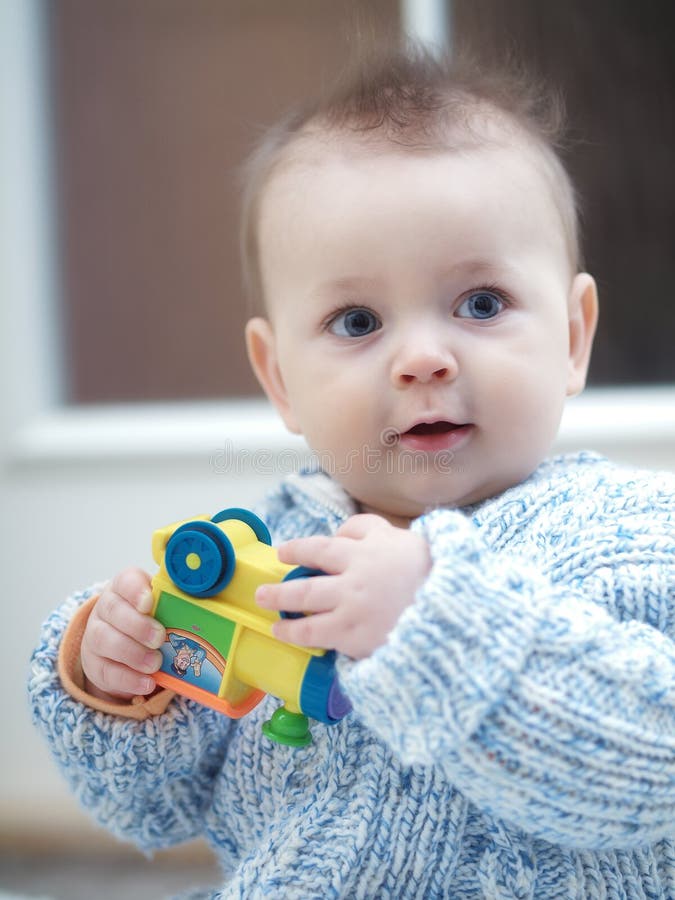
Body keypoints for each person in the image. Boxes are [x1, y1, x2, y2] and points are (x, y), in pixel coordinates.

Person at [30, 45, 675, 899]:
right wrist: (116, 684)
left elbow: (652, 766)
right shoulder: (264, 558)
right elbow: (152, 808)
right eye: (358, 320)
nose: (423, 358)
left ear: (570, 335)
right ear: (278, 379)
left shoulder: (628, 536)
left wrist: (436, 623)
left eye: (480, 304)